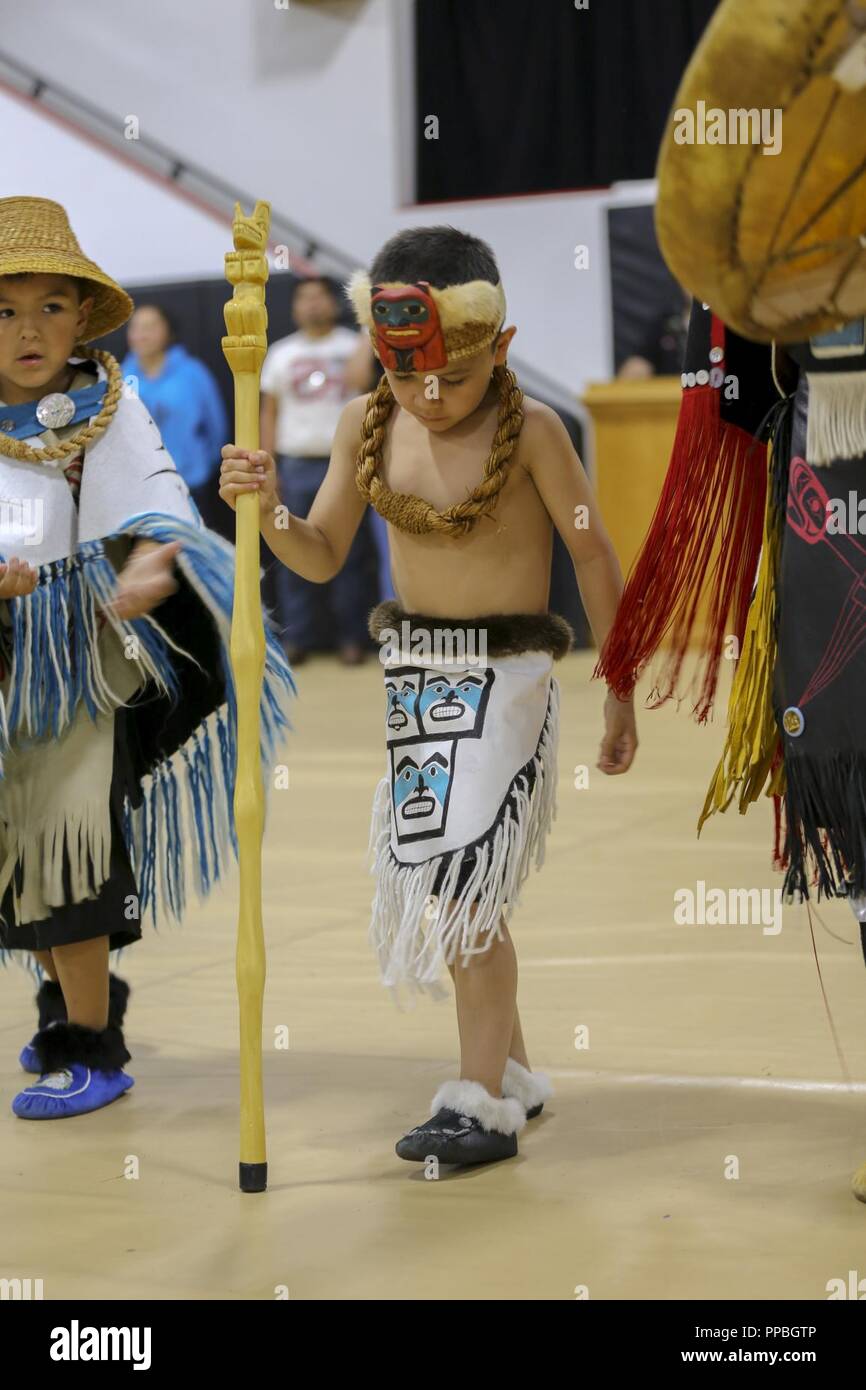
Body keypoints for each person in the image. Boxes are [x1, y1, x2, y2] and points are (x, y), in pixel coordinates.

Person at [220, 225, 637, 1166]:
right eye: (410, 378)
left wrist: (620, 684)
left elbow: (591, 550)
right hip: (416, 687)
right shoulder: (366, 425)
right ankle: (515, 1076)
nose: (432, 396)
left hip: (510, 687)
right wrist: (268, 511)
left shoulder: (534, 431)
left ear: (503, 343)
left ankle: (478, 1099)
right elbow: (320, 554)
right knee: (458, 890)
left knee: (462, 900)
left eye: (453, 374)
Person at [0, 196, 294, 1121]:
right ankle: (67, 1008)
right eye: (5, 310)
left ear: (83, 316)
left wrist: (158, 559)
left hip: (79, 665)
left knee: (67, 851)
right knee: (21, 861)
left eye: (51, 306)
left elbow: (162, 504)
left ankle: (90, 1046)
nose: (29, 329)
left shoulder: (106, 406)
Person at [260, 275, 379, 665]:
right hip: (295, 462)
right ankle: (298, 639)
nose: (311, 305)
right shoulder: (280, 353)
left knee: (351, 554)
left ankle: (352, 639)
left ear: (333, 303)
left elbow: (363, 383)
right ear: (294, 308)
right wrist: (268, 462)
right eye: (304, 298)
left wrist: (367, 329)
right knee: (290, 550)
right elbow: (270, 411)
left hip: (346, 462)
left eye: (319, 297)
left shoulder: (352, 344)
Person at [122, 304, 229, 534]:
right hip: (139, 487)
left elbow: (216, 426)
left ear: (168, 332)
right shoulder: (121, 376)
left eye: (150, 327)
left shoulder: (192, 372)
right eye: (136, 327)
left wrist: (203, 464)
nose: (142, 334)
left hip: (190, 482)